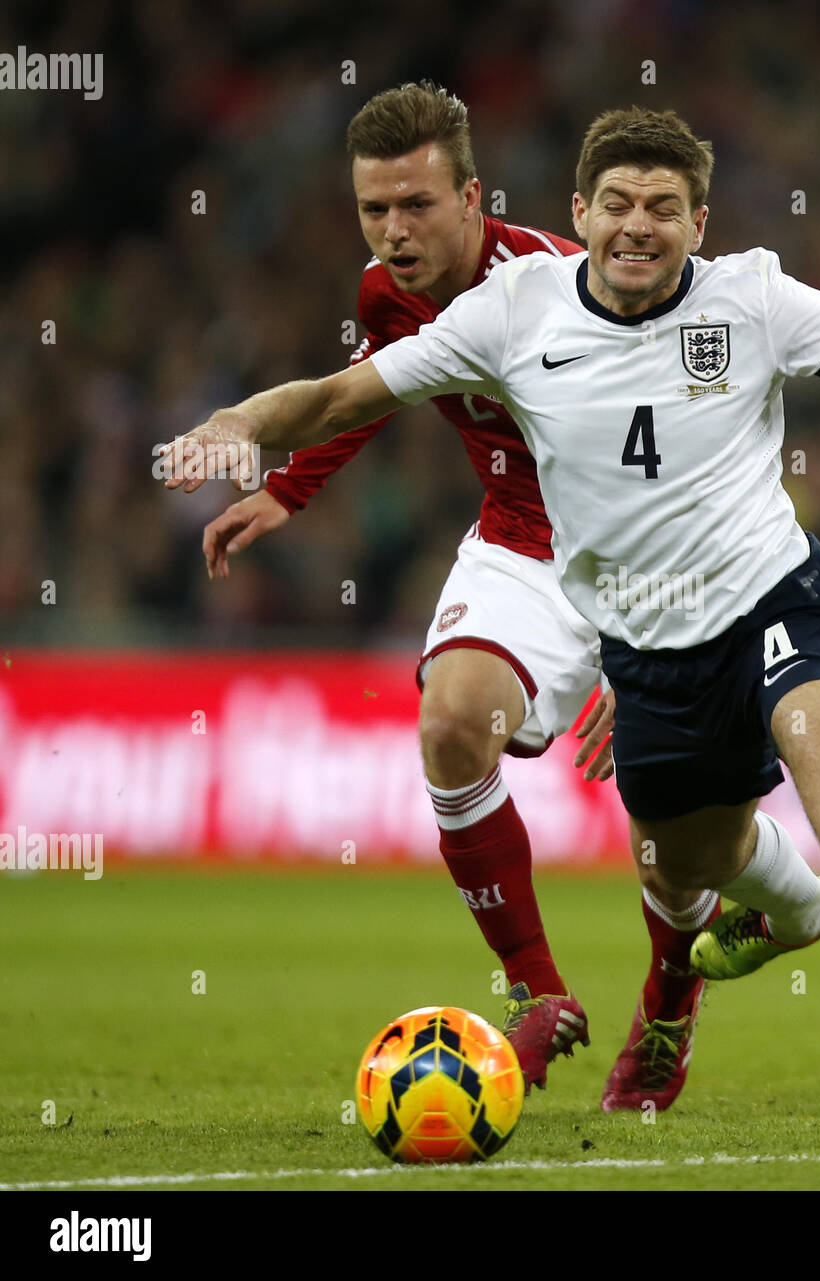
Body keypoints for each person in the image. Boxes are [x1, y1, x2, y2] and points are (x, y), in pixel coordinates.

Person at [160, 106, 820, 1094]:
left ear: (697, 222)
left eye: (662, 209)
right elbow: (340, 395)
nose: (638, 228)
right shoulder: (506, 313)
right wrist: (239, 428)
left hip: (773, 603)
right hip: (644, 646)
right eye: (617, 205)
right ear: (576, 216)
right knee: (690, 868)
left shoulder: (756, 299)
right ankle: (789, 913)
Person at [196, 84, 720, 1110]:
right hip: (520, 546)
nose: (395, 232)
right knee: (448, 726)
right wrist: (286, 489)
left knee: (670, 819)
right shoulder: (385, 294)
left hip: (645, 553)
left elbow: (688, 465)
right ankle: (539, 995)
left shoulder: (573, 293)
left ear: (473, 196)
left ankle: (668, 1007)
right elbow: (374, 386)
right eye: (374, 210)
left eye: (418, 206)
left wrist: (653, 637)